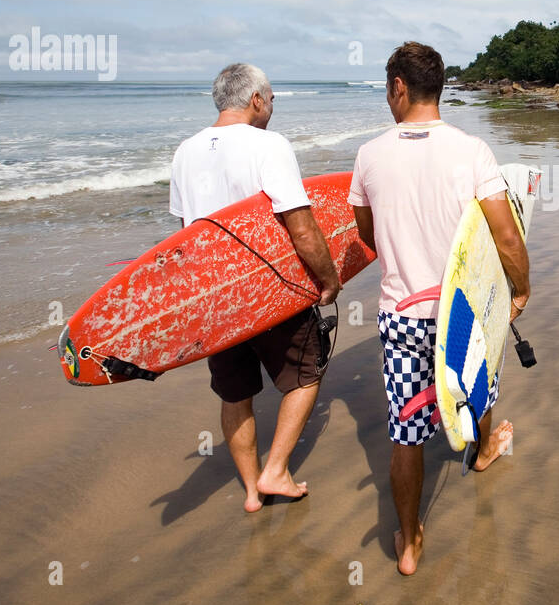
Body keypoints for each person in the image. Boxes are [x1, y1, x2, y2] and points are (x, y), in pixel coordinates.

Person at [348, 42, 530, 575]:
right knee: (479, 376)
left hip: (402, 315)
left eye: (387, 88)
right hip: (464, 313)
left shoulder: (368, 155)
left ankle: (408, 542)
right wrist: (519, 293)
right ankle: (481, 450)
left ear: (399, 87)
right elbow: (504, 238)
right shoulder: (472, 151)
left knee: (406, 431)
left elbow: (368, 234)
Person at [169, 63, 341, 512]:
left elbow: (183, 234)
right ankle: (275, 470)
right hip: (269, 290)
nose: (272, 110)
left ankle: (250, 492)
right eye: (272, 101)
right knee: (306, 376)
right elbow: (299, 224)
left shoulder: (185, 151)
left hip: (213, 296)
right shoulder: (268, 144)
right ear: (257, 100)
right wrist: (327, 278)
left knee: (235, 391)